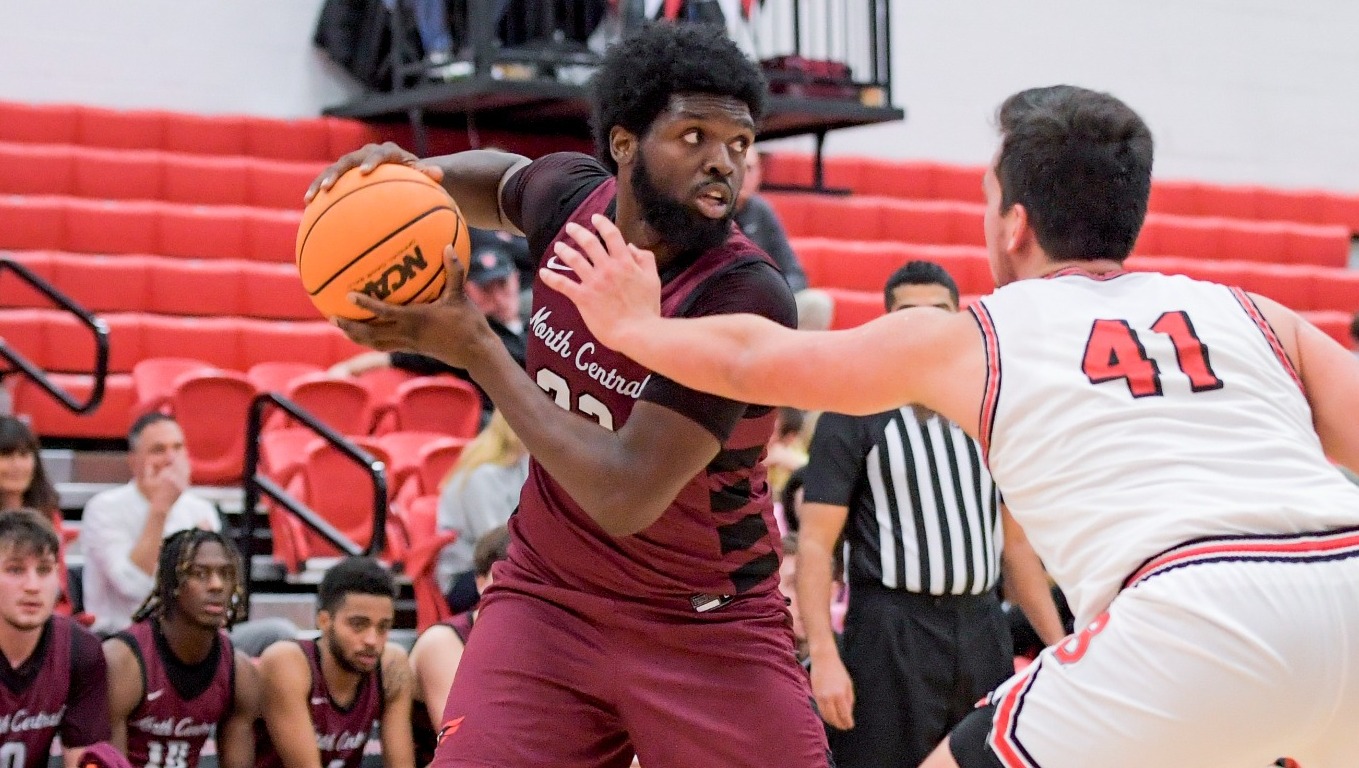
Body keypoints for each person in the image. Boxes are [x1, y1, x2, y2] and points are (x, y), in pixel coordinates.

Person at [543, 84, 1359, 768]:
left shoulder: (978, 333)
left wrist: (634, 330)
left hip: (1193, 610)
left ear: (1012, 223)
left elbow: (755, 359)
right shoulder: (1257, 315)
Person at [307, 21, 829, 767]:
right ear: (622, 144)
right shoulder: (568, 203)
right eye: (693, 136)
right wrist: (410, 180)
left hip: (706, 626)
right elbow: (500, 178)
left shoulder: (740, 294)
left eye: (738, 144)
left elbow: (623, 495)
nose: (722, 162)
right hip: (550, 601)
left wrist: (478, 349)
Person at [798, 260, 1065, 768]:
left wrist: (1059, 646)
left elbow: (1017, 549)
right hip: (888, 630)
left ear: (957, 318)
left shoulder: (989, 408)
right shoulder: (851, 410)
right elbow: (814, 544)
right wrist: (825, 655)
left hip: (982, 625)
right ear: (884, 322)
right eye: (907, 314)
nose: (920, 327)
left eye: (936, 313)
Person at [329, 227, 528, 424]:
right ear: (469, 290)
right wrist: (345, 369)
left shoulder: (540, 325)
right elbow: (395, 357)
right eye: (486, 289)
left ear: (516, 280)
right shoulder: (463, 336)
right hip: (504, 426)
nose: (499, 298)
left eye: (502, 285)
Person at [103, 529, 261, 768]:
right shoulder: (123, 661)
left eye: (225, 574)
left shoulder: (239, 672)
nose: (217, 585)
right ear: (172, 582)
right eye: (200, 573)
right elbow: (106, 761)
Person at [254, 557, 414, 768]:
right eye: (358, 625)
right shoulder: (287, 662)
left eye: (383, 627)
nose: (372, 640)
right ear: (324, 621)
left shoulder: (392, 664)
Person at [81, 413, 220, 635]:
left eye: (178, 448)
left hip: (191, 638)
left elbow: (215, 591)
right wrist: (160, 509)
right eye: (158, 450)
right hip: (122, 637)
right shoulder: (103, 508)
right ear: (133, 461)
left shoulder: (201, 509)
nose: (171, 459)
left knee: (276, 634)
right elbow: (135, 588)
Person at [0, 509, 109, 768]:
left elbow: (84, 760)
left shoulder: (80, 650)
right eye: (15, 570)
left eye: (44, 570)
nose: (32, 586)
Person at [409, 525, 511, 766]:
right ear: (479, 582)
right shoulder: (443, 642)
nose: (513, 592)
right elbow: (465, 744)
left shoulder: (541, 644)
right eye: (503, 579)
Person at [436, 410, 527, 613]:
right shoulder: (482, 474)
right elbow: (494, 544)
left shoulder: (523, 464)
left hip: (502, 561)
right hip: (466, 574)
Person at [0, 416, 77, 616]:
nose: (17, 465)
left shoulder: (49, 515)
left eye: (24, 455)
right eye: (6, 455)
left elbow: (59, 584)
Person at [735, 148, 808, 292]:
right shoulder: (710, 212)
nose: (743, 175)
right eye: (737, 167)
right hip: (725, 299)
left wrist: (774, 296)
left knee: (816, 303)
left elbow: (795, 273)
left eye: (749, 168)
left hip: (764, 295)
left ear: (759, 175)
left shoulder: (762, 210)